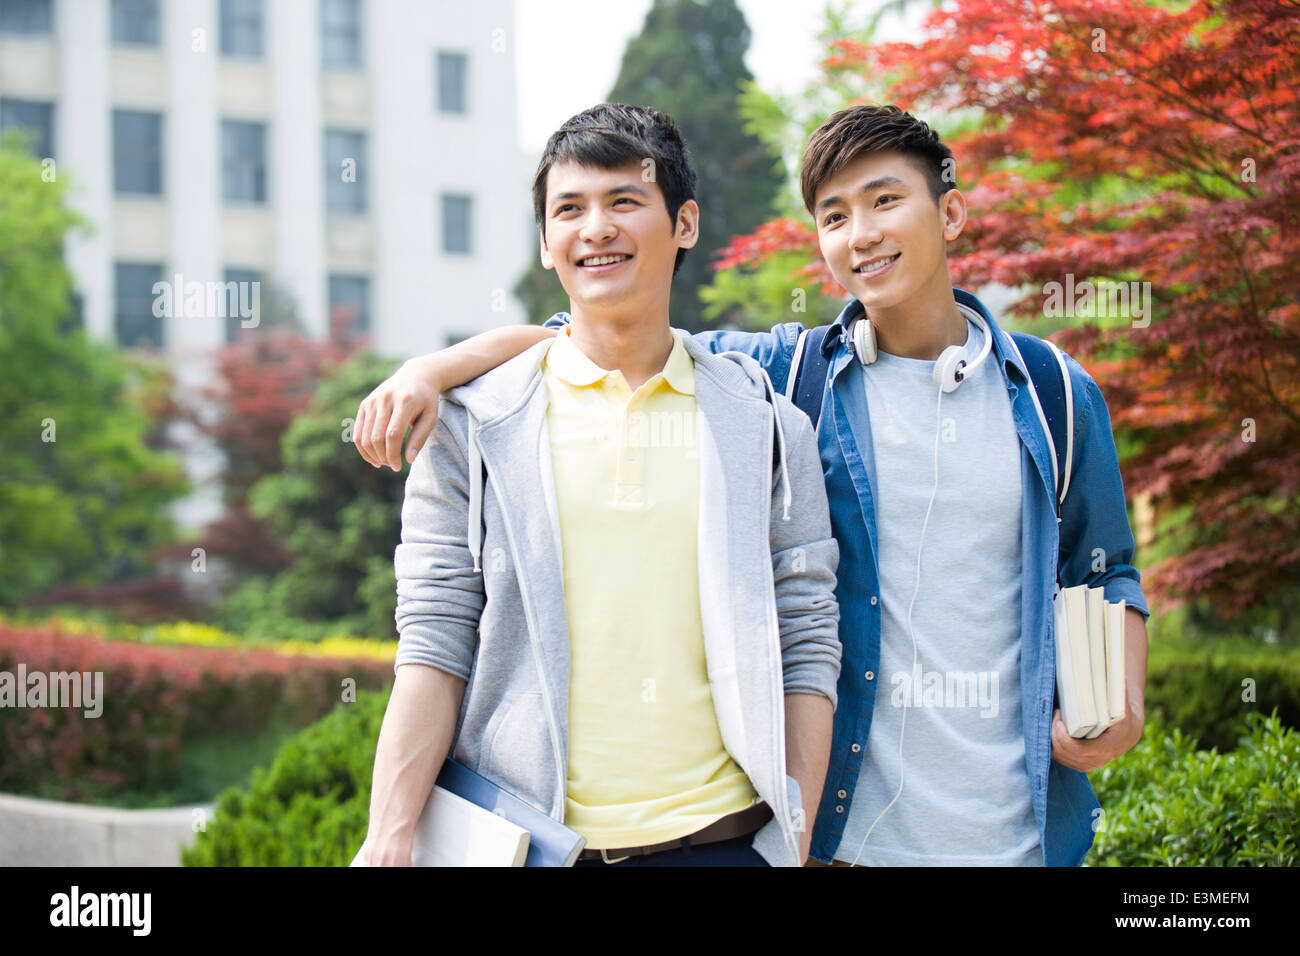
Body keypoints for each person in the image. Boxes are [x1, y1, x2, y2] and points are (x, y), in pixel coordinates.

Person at [354, 104, 1150, 867]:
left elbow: (1105, 568)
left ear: (950, 214)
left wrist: (1125, 702)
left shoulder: (1048, 393)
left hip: (1014, 834)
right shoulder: (795, 380)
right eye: (834, 216)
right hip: (845, 839)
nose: (861, 234)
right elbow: (606, 328)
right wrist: (435, 370)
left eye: (885, 202)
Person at [358, 103, 841, 868]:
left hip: (723, 844)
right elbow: (433, 640)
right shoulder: (472, 428)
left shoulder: (768, 428)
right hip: (531, 846)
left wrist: (796, 834)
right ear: (546, 244)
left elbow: (808, 634)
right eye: (569, 210)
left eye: (624, 201)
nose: (596, 228)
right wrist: (387, 838)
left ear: (684, 224)